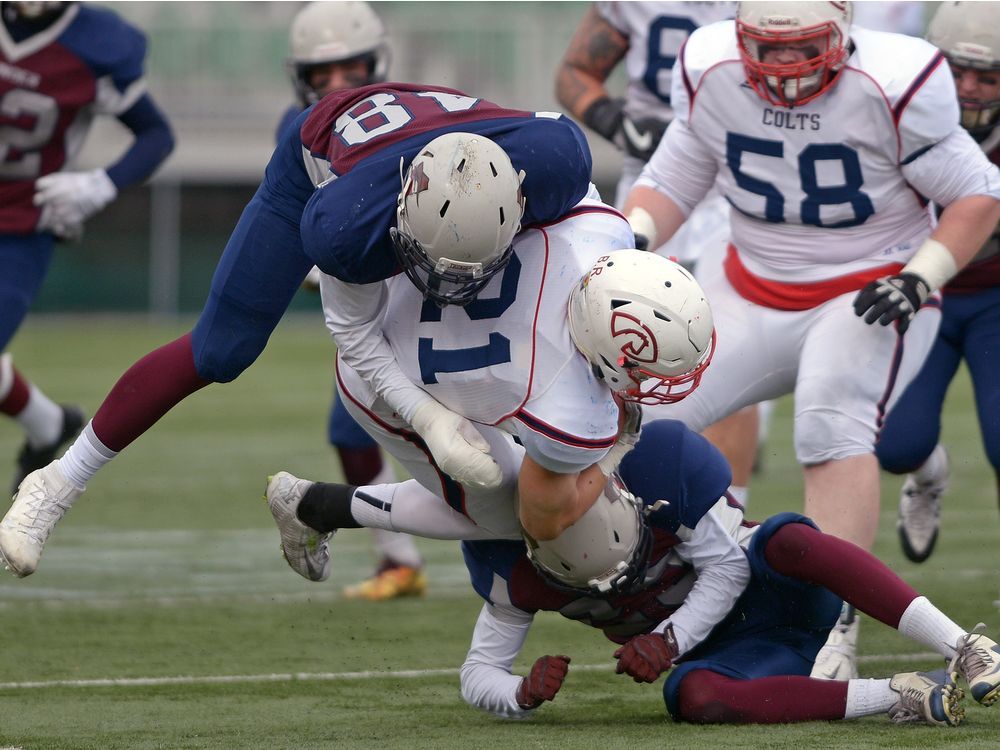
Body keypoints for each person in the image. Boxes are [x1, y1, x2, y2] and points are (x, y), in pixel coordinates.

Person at [0, 81, 597, 578]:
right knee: (220, 351)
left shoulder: (560, 165)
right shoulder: (349, 225)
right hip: (323, 169)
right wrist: (430, 421)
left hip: (446, 158)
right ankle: (54, 484)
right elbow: (356, 337)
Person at [620, 0, 1000, 680]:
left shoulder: (894, 82)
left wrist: (922, 276)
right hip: (747, 282)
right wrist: (632, 240)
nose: (786, 64)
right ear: (739, 38)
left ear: (844, 32)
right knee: (639, 420)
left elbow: (977, 194)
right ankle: (673, 590)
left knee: (829, 425)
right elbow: (676, 174)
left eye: (805, 47)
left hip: (868, 286)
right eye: (767, 47)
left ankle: (835, 622)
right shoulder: (709, 67)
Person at [456, 418, 1000, 725]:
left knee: (789, 540)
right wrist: (518, 693)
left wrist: (667, 640)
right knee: (692, 698)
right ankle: (898, 694)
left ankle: (964, 645)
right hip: (737, 654)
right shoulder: (508, 563)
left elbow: (728, 568)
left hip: (776, 590)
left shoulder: (653, 462)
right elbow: (479, 672)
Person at [266, 248, 713, 583]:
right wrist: (616, 450)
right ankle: (312, 506)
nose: (645, 380)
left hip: (397, 320)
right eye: (643, 366)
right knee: (505, 514)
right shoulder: (573, 405)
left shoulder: (587, 235)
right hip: (389, 384)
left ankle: (319, 505)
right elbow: (542, 521)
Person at [554, 1, 769, 508]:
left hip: (740, 184)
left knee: (727, 344)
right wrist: (612, 118)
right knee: (614, 332)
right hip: (656, 179)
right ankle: (623, 502)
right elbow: (574, 73)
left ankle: (727, 517)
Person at [277, 1, 427, 602]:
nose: (337, 85)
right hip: (371, 307)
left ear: (376, 64)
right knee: (352, 425)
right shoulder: (298, 132)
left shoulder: (415, 114)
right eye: (322, 74)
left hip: (433, 291)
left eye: (351, 68)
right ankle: (400, 559)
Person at [0, 1, 174, 494]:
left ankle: (46, 424)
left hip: (18, 226)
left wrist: (101, 184)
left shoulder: (95, 43)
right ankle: (47, 423)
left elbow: (156, 135)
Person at [876, 1, 1000, 565]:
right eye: (958, 71)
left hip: (995, 299)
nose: (970, 88)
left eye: (989, 75)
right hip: (919, 297)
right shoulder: (891, 112)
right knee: (896, 446)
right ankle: (928, 477)